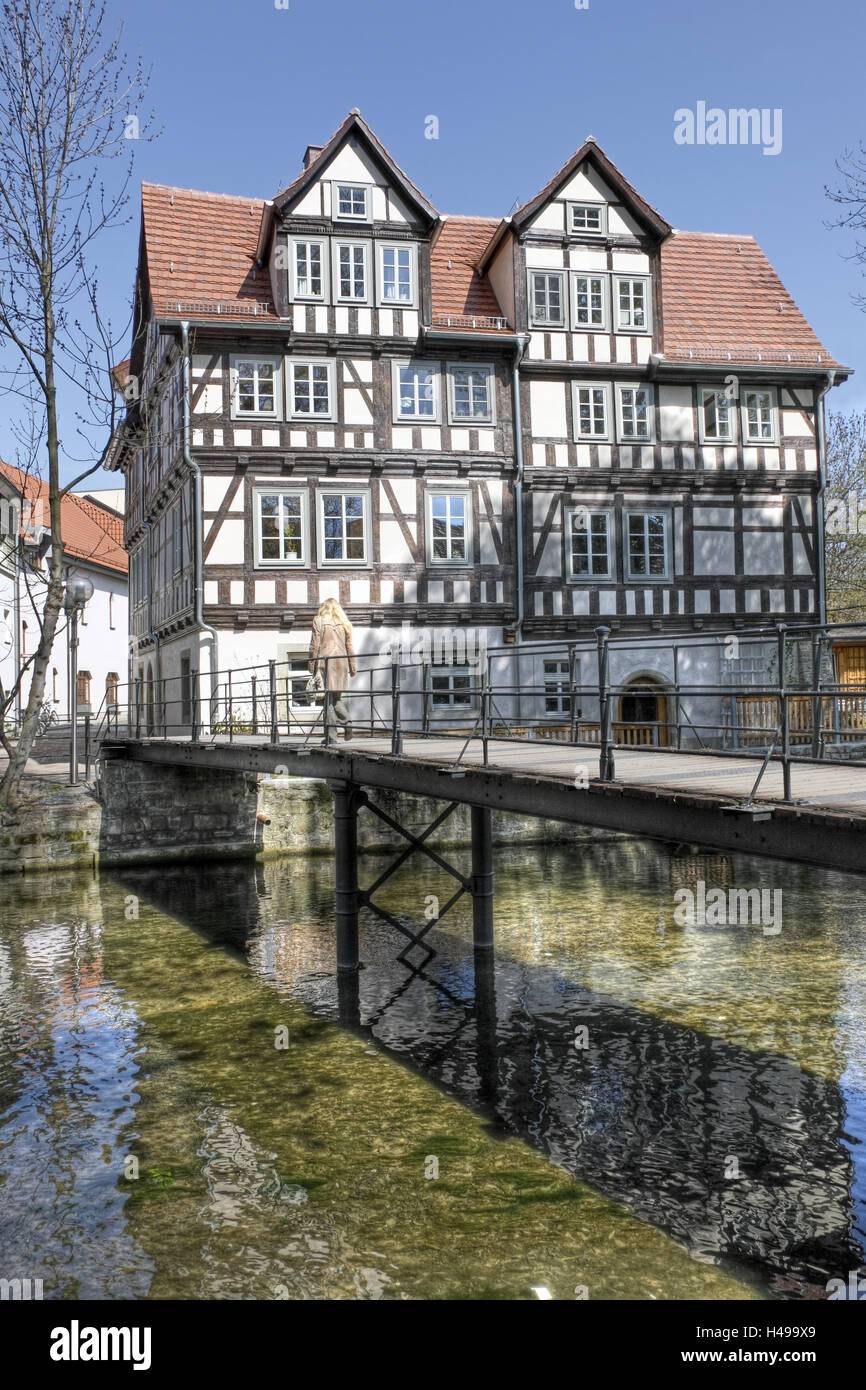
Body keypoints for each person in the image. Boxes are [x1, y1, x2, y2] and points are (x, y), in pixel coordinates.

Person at [309, 598, 356, 741]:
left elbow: (315, 645)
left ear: (324, 608)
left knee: (327, 701)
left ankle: (331, 737)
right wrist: (352, 667)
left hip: (326, 662)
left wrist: (312, 666)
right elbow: (350, 647)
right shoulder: (344, 623)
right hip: (342, 664)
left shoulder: (319, 620)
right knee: (336, 698)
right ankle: (347, 723)